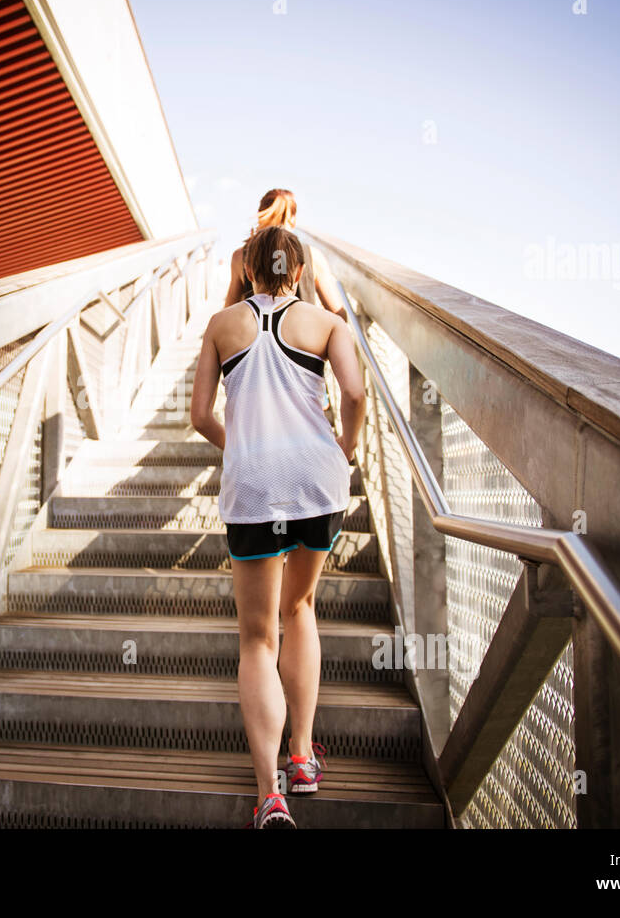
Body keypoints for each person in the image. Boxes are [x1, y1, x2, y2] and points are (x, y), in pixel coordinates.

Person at [190, 224, 367, 829]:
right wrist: (343, 446)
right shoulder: (327, 325)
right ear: (299, 269)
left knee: (256, 638)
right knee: (302, 609)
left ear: (249, 268)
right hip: (318, 482)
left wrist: (236, 448)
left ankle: (270, 794)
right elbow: (355, 390)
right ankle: (303, 758)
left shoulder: (221, 325)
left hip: (254, 485)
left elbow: (198, 416)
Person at [225, 188, 349, 324]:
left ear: (260, 215)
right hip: (304, 341)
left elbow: (228, 311)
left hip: (256, 342)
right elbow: (338, 314)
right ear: (293, 219)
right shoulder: (312, 256)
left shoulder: (241, 256)